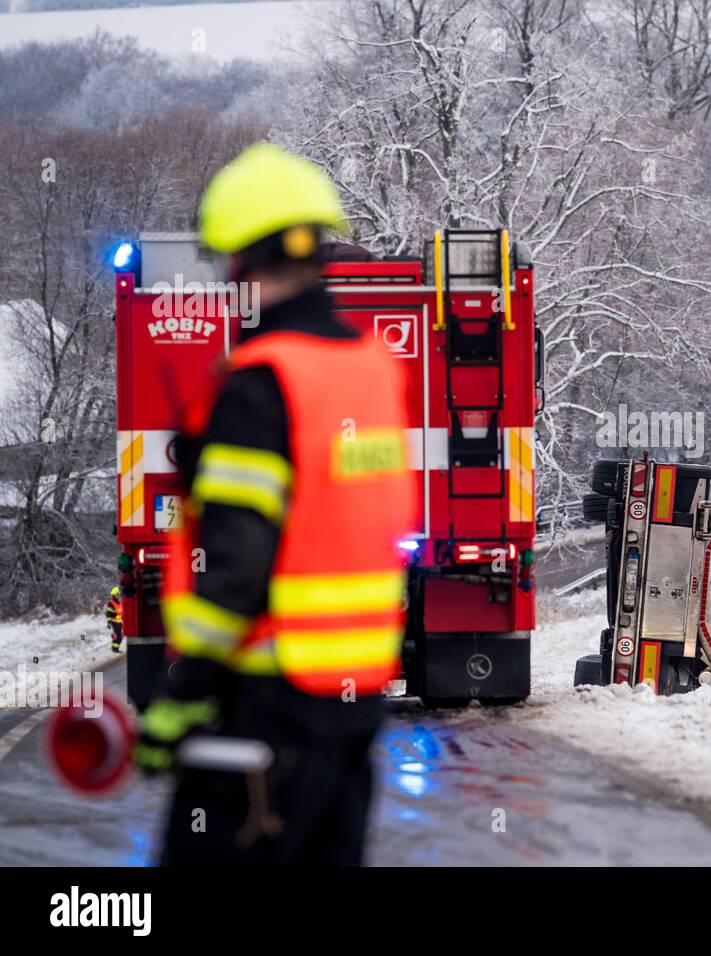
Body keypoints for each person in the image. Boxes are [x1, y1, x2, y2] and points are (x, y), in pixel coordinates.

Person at [133, 143, 418, 865]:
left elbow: (233, 562)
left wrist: (184, 693)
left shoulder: (259, 383)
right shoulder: (374, 370)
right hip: (355, 705)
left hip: (263, 704)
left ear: (238, 263)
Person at [105, 586, 123, 653]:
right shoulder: (111, 604)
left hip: (119, 622)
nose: (119, 596)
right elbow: (108, 614)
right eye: (118, 595)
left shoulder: (119, 603)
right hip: (114, 622)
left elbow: (121, 613)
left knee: (119, 636)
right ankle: (114, 649)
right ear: (115, 595)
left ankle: (115, 648)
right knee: (119, 636)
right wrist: (109, 622)